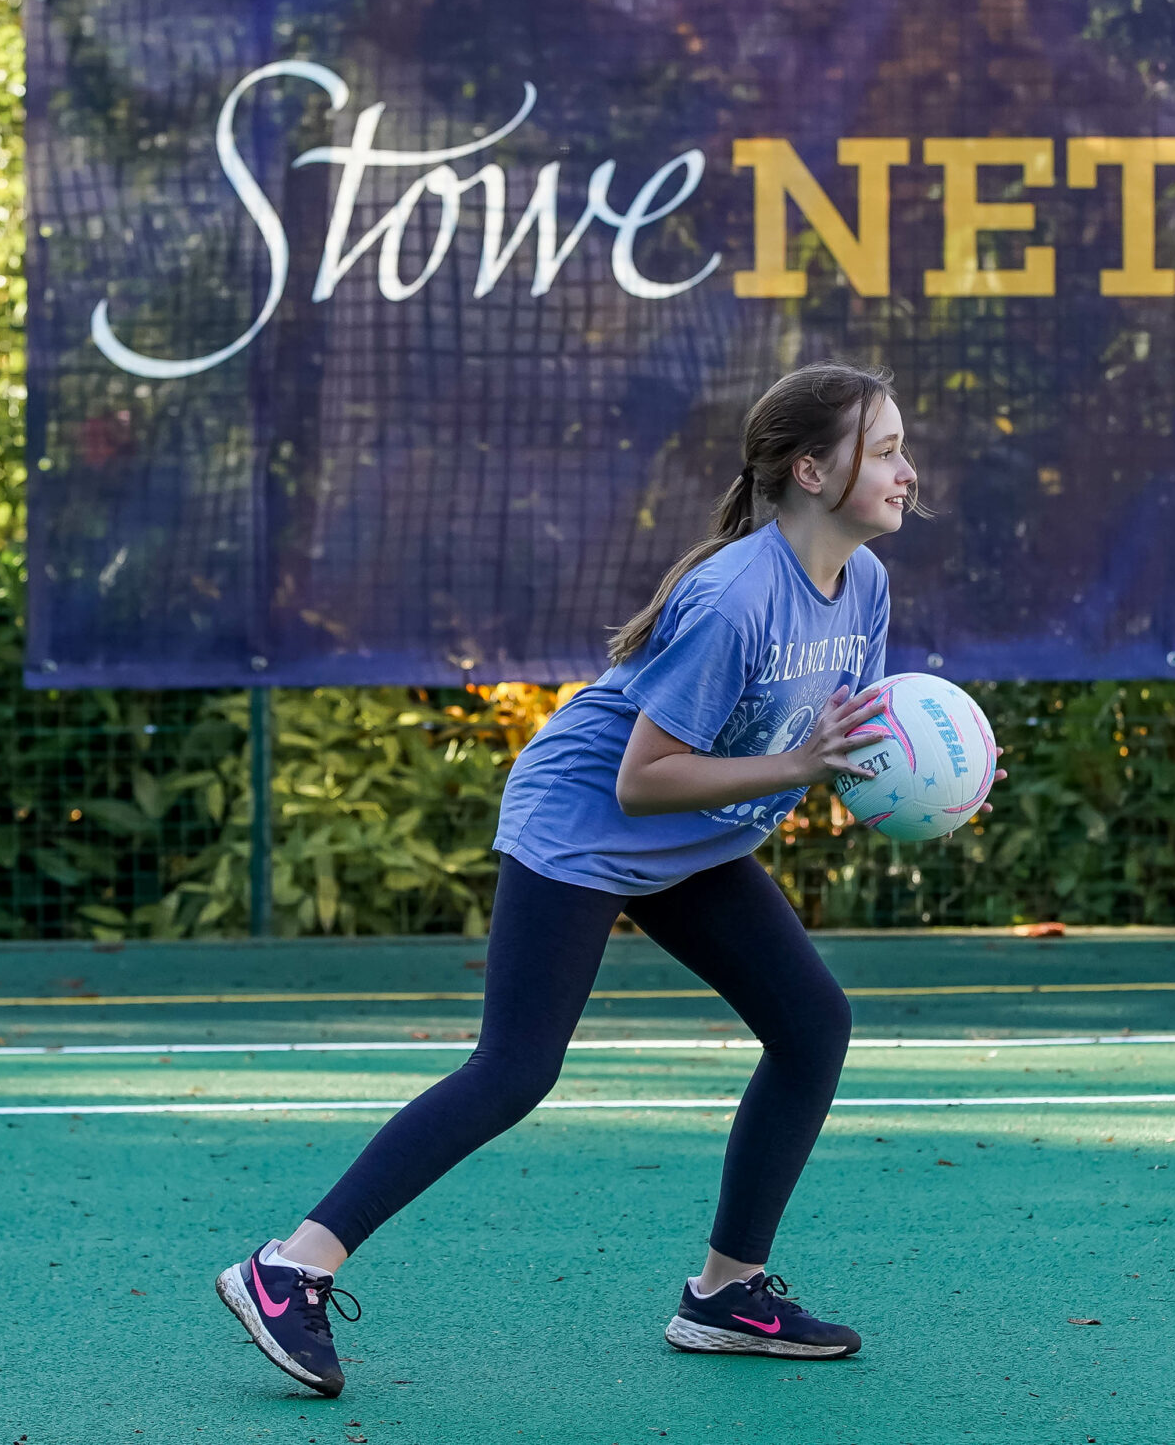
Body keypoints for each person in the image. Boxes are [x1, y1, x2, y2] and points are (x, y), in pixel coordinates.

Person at [217, 361, 923, 1395]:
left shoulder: (861, 582)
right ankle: (289, 1267)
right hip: (586, 820)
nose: (910, 471)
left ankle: (726, 1293)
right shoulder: (734, 595)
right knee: (515, 1066)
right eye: (890, 448)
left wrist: (919, 787)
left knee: (812, 1022)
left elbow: (828, 742)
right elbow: (643, 778)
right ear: (812, 471)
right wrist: (801, 767)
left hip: (694, 831)